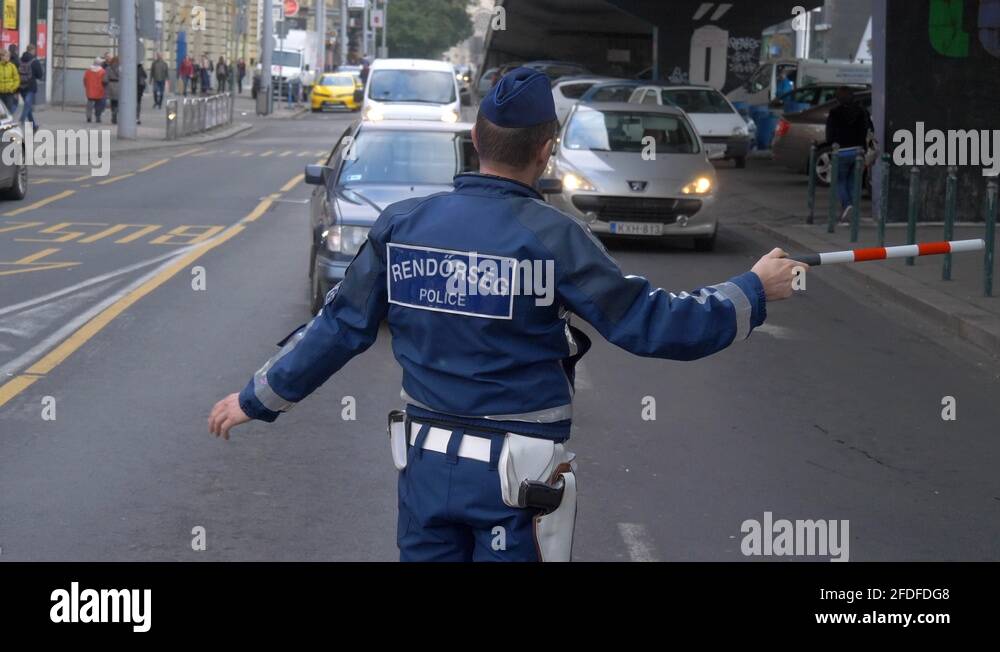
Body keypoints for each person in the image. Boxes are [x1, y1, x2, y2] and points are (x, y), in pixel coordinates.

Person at [207, 67, 803, 562]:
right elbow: (652, 323)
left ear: (475, 136)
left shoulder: (403, 225)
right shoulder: (554, 237)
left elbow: (338, 328)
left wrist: (254, 399)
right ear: (546, 152)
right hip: (517, 484)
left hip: (425, 467)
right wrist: (751, 289)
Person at [824, 86, 873, 223]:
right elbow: (870, 129)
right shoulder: (862, 112)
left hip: (841, 152)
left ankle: (847, 205)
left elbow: (829, 136)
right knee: (853, 182)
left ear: (838, 98)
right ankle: (852, 210)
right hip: (858, 151)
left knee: (840, 180)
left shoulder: (834, 113)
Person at [18, 44, 43, 130]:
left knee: (27, 105)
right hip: (31, 86)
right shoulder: (34, 61)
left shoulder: (20, 60)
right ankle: (21, 120)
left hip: (21, 86)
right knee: (27, 105)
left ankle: (33, 126)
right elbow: (40, 75)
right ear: (32, 50)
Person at [83, 57, 107, 123]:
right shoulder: (102, 71)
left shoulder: (88, 71)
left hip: (90, 89)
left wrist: (87, 86)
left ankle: (89, 117)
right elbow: (104, 81)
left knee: (89, 104)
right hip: (99, 89)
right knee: (98, 104)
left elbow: (85, 80)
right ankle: (98, 117)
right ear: (100, 64)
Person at [0, 50, 20, 115]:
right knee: (1, 111)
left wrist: (12, 88)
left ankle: (7, 123)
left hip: (9, 93)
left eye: (8, 56)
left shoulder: (12, 66)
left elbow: (16, 79)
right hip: (0, 92)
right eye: (6, 56)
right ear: (1, 57)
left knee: (9, 110)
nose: (7, 57)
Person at [106, 56, 120, 124]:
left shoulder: (108, 68)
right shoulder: (120, 68)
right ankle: (115, 113)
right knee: (118, 102)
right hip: (119, 85)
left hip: (111, 85)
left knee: (112, 102)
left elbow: (105, 79)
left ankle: (113, 114)